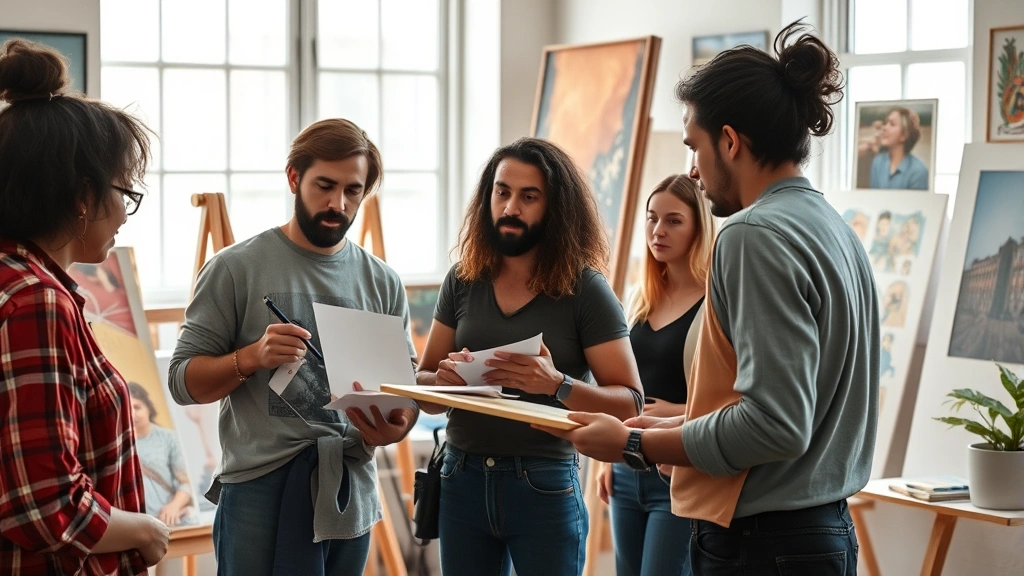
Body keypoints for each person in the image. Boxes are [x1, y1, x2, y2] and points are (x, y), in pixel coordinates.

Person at [541, 21, 879, 576]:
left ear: (730, 140)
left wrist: (633, 447)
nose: (692, 171)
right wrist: (664, 428)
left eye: (694, 148)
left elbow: (775, 424)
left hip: (762, 545)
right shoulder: (833, 227)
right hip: (819, 533)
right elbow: (797, 412)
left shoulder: (753, 235)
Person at [168, 118, 419, 575]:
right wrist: (251, 358)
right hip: (260, 488)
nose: (337, 203)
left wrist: (398, 426)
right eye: (325, 185)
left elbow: (406, 391)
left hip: (349, 486)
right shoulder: (234, 268)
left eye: (352, 191)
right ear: (293, 178)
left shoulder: (382, 281)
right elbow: (182, 382)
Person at [415, 137, 644, 576]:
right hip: (460, 477)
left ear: (554, 207)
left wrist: (556, 385)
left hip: (543, 482)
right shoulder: (463, 279)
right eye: (502, 192)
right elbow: (424, 391)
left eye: (528, 196)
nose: (510, 208)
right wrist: (440, 383)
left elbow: (631, 402)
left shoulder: (586, 290)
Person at [0, 38, 169, 574]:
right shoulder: (36, 302)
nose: (124, 213)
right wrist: (143, 527)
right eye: (124, 191)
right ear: (81, 196)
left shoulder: (20, 280)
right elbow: (48, 506)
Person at [599, 174, 715, 576]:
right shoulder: (641, 298)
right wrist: (607, 459)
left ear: (699, 226)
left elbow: (734, 398)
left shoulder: (717, 304)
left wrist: (677, 410)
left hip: (677, 471)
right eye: (651, 218)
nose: (658, 230)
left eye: (673, 221)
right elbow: (621, 386)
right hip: (627, 466)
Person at [127, 382, 197, 526]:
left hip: (168, 520)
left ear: (148, 408)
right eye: (128, 408)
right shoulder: (118, 444)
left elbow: (185, 483)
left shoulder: (168, 438)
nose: (133, 413)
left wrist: (174, 506)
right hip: (137, 524)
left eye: (137, 407)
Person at [868, 107, 928, 190]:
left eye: (892, 124)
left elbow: (916, 203)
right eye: (886, 123)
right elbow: (873, 199)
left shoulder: (918, 171)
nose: (885, 128)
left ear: (904, 135)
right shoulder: (878, 162)